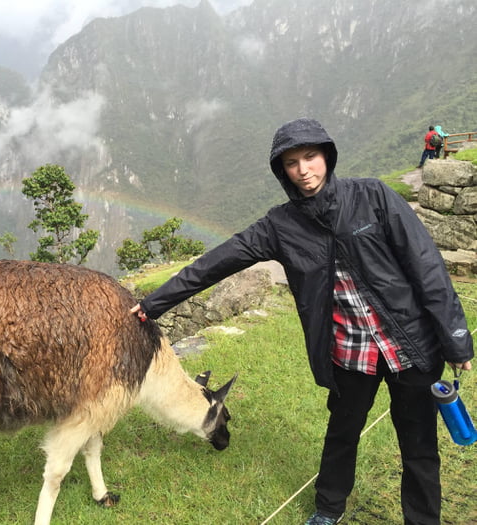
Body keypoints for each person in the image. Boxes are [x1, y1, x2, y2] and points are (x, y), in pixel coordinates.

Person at [130, 118, 474, 525]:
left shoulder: (372, 196)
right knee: (342, 433)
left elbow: (426, 266)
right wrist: (154, 304)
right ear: (282, 171)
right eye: (291, 162)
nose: (303, 170)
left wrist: (456, 339)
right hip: (348, 352)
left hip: (411, 345)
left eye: (310, 157)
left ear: (326, 156)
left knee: (418, 444)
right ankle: (328, 509)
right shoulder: (280, 226)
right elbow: (216, 263)